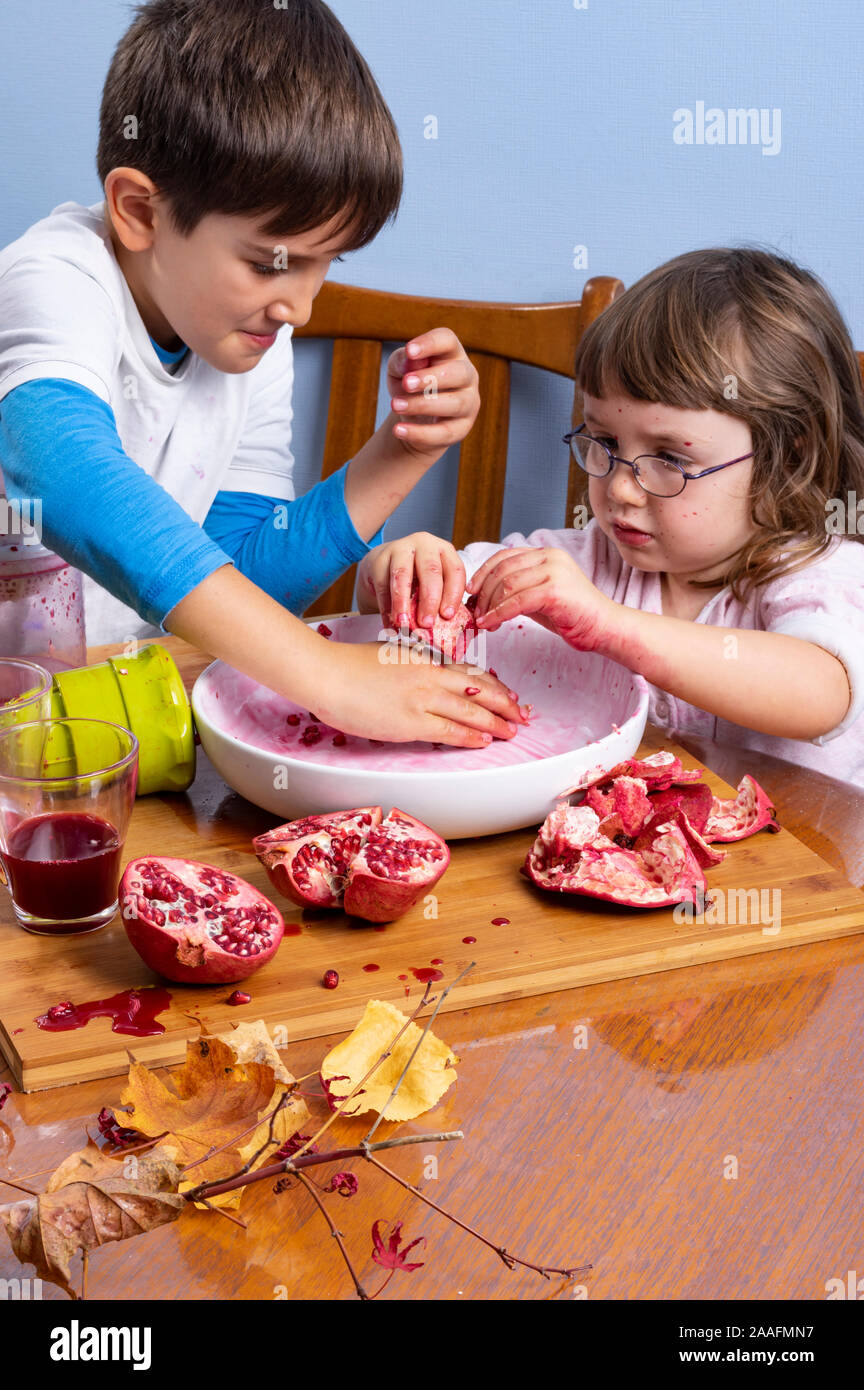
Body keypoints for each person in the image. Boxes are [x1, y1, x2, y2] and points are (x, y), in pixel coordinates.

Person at [0, 0, 526, 748]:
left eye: (324, 266)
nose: (301, 308)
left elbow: (245, 581)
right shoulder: (50, 277)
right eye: (268, 263)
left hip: (95, 726)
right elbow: (59, 474)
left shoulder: (246, 334)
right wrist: (329, 675)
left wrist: (400, 451)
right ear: (139, 211)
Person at [358, 247, 864, 784]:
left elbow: (824, 691)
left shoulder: (821, 573)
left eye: (670, 458)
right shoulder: (579, 561)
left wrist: (608, 625)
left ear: (786, 457)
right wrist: (399, 573)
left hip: (804, 861)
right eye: (602, 440)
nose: (620, 487)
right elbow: (393, 610)